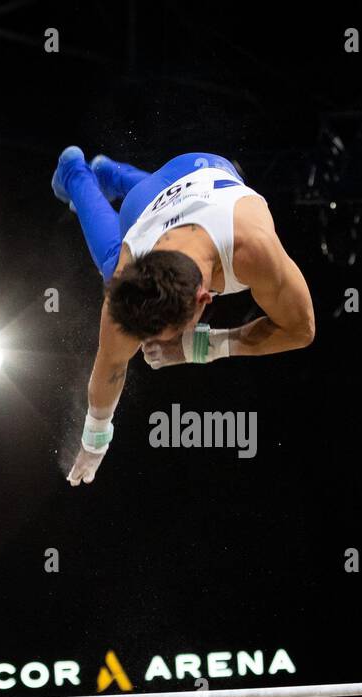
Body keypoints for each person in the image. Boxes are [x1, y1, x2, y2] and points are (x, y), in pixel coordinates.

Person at [51, 147, 315, 485]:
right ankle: (92, 172)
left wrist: (200, 347)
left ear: (204, 297)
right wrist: (95, 439)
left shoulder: (255, 250)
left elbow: (301, 330)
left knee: (109, 267)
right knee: (113, 270)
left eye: (169, 333)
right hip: (152, 197)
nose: (163, 342)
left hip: (207, 171)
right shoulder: (132, 269)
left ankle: (83, 171)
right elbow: (111, 362)